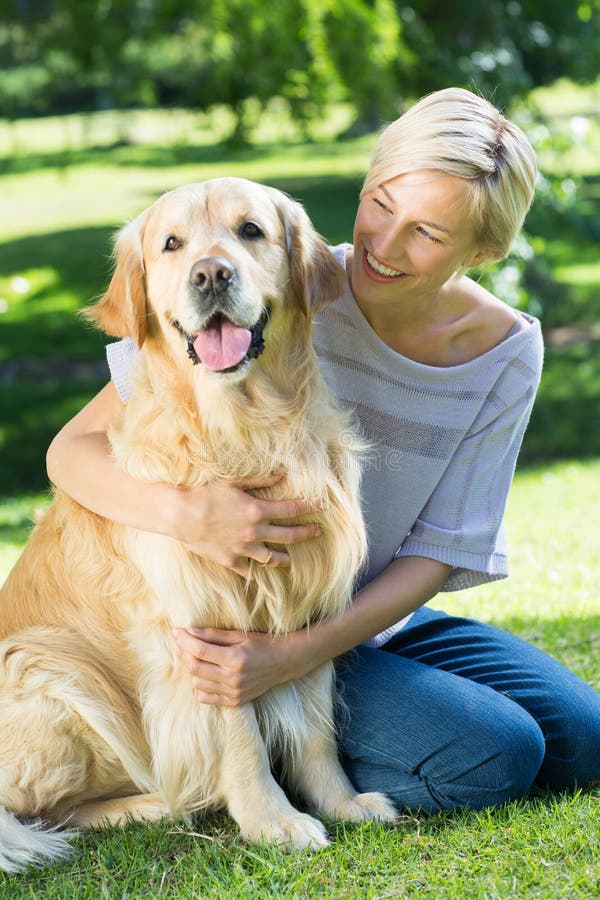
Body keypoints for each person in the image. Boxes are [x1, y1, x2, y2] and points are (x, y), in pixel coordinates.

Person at [47, 88, 600, 813]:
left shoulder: (505, 352)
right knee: (500, 755)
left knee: (585, 738)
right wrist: (187, 516)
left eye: (427, 233)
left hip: (366, 618)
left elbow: (439, 549)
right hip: (266, 613)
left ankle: (297, 736)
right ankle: (267, 767)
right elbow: (71, 451)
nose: (385, 246)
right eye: (382, 204)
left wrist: (294, 657)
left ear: (482, 252)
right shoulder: (281, 289)